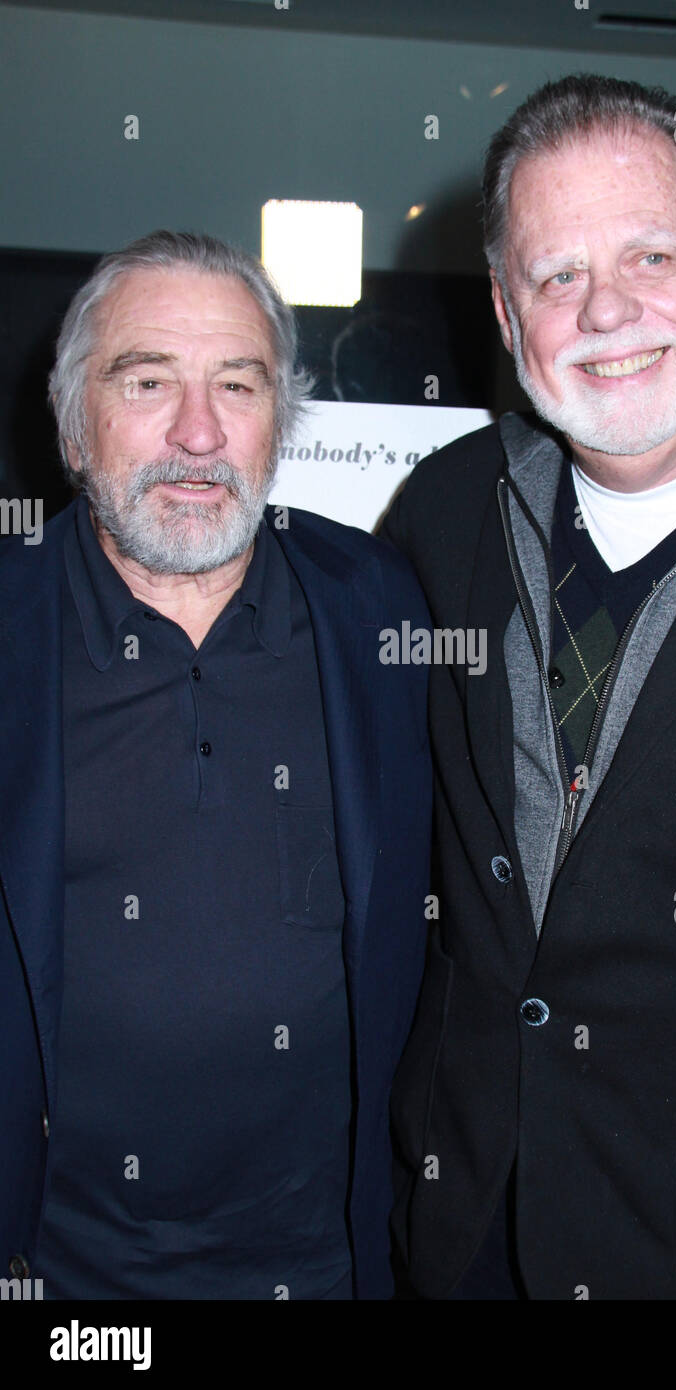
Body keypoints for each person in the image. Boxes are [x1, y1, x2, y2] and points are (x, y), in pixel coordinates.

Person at [380, 73, 676, 1300]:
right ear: (504, 309)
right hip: (476, 1238)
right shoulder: (442, 515)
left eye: (651, 254)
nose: (607, 310)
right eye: (556, 276)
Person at [0, 230, 431, 1300]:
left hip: (331, 1267)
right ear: (72, 420)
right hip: (63, 1280)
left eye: (236, 385)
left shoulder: (383, 608)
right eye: (147, 380)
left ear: (278, 418)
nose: (197, 433)